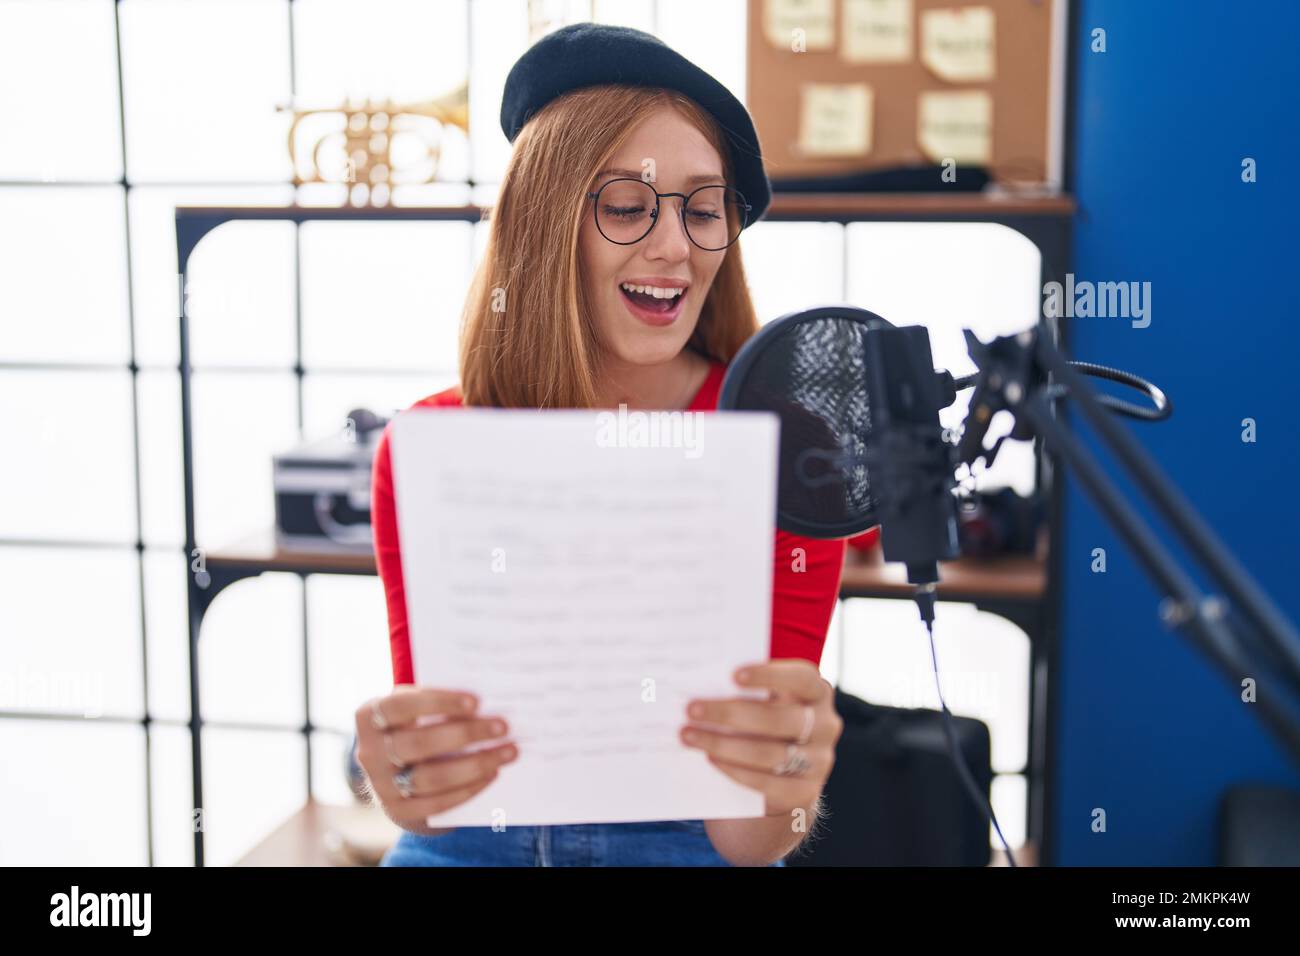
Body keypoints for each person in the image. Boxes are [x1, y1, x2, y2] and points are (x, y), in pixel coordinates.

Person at [354, 23, 847, 867]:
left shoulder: (787, 450)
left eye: (703, 210)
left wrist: (789, 786)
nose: (675, 247)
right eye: (627, 206)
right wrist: (405, 781)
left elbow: (752, 841)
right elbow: (434, 804)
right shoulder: (429, 446)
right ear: (544, 225)